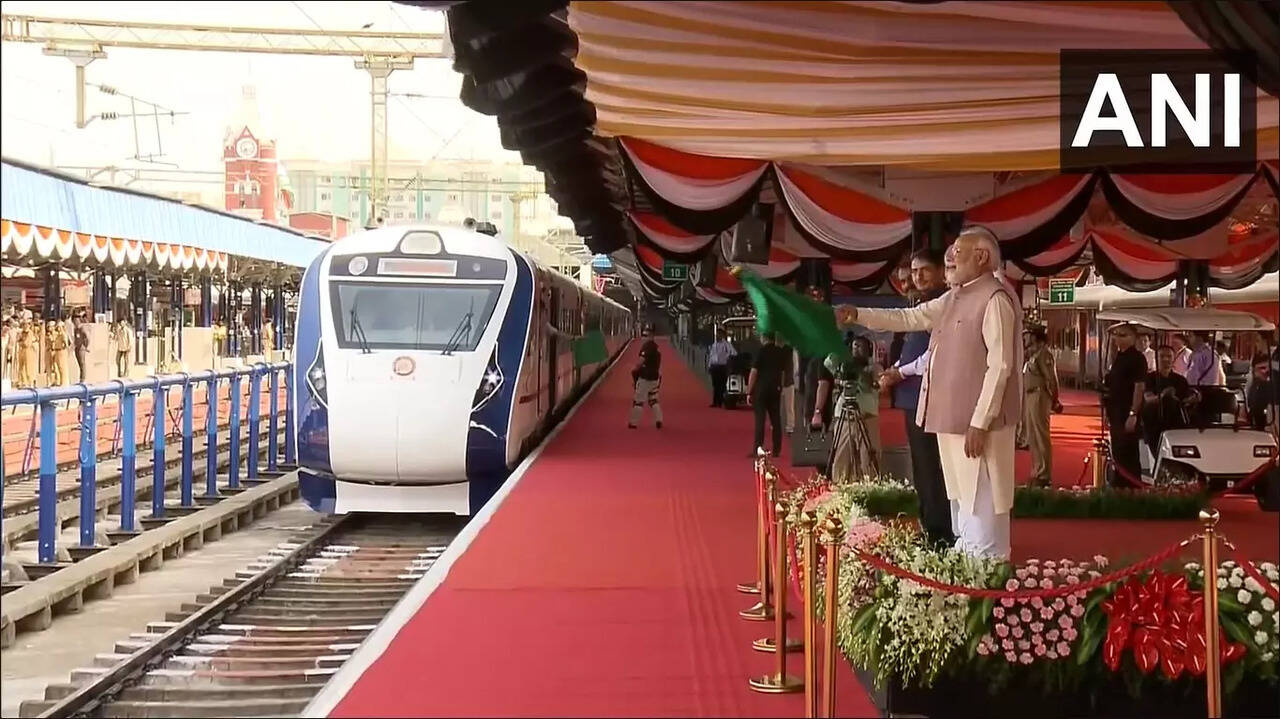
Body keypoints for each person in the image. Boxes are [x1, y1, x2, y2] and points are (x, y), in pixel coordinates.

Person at [847, 226, 1023, 560]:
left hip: (977, 425)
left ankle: (987, 566)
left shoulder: (994, 298)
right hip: (951, 420)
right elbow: (910, 317)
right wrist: (859, 314)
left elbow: (1001, 366)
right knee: (960, 497)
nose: (950, 257)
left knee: (982, 497)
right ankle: (967, 561)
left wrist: (980, 422)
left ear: (981, 256)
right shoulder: (955, 297)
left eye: (958, 250)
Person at [878, 247, 953, 547]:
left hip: (931, 399)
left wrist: (900, 372)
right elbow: (913, 351)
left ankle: (940, 534)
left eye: (925, 270)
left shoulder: (944, 304)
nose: (917, 277)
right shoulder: (921, 303)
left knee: (932, 467)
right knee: (921, 467)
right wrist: (895, 369)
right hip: (912, 398)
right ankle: (929, 526)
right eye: (914, 271)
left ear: (941, 272)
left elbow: (935, 355)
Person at [1103, 323, 1147, 485]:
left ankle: (1132, 487)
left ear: (1134, 338)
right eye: (1117, 335)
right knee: (1118, 451)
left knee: (1128, 452)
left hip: (1127, 411)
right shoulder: (1119, 356)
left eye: (1123, 335)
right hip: (1115, 410)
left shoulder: (1137, 358)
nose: (1118, 338)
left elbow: (1139, 387)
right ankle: (1119, 485)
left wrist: (1133, 413)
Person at [1021, 325, 1063, 487]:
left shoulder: (1044, 355)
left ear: (1034, 337)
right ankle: (1037, 470)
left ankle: (1044, 473)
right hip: (1030, 395)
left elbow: (1051, 379)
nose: (1024, 338)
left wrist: (1055, 400)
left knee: (1040, 435)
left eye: (1027, 335)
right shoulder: (1033, 354)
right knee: (1032, 436)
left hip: (1039, 396)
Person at [1142, 345, 1197, 453]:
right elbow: (1148, 398)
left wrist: (1193, 398)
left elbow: (1185, 400)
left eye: (1169, 356)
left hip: (1176, 425)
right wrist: (1163, 395)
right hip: (1154, 423)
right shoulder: (1149, 378)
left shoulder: (1180, 380)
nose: (1165, 359)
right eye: (1162, 356)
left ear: (1173, 359)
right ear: (1156, 358)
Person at [746, 331, 788, 457]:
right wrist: (781, 386)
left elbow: (754, 372)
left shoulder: (761, 351)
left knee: (760, 419)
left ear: (764, 338)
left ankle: (758, 448)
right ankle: (776, 449)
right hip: (775, 388)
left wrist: (749, 391)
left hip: (761, 389)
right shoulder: (780, 352)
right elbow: (783, 372)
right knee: (776, 419)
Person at [628, 331, 663, 430]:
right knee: (653, 400)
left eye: (645, 336)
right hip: (655, 378)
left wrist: (635, 369)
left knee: (638, 401)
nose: (643, 338)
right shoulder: (656, 349)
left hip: (645, 378)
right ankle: (659, 419)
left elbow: (641, 361)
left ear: (649, 337)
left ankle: (633, 423)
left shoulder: (646, 347)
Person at [706, 329, 736, 407]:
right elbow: (711, 356)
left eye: (719, 334)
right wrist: (709, 365)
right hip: (714, 366)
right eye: (717, 334)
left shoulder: (726, 344)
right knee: (715, 385)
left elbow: (733, 352)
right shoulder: (714, 344)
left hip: (722, 367)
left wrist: (726, 357)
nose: (717, 336)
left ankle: (721, 401)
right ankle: (715, 402)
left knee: (722, 384)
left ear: (722, 335)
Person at [1245, 353, 1274, 432]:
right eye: (1262, 368)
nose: (1266, 371)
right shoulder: (1252, 385)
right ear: (1254, 369)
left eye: (1269, 368)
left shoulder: (1270, 386)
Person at [46, 319, 69, 386]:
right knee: (58, 367)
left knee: (61, 367)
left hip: (60, 351)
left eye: (59, 327)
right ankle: (58, 381)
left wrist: (63, 347)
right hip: (55, 351)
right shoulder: (58, 334)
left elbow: (66, 344)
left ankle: (63, 381)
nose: (58, 329)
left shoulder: (62, 334)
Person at [73, 312, 89, 382]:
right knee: (79, 363)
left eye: (76, 321)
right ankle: (81, 377)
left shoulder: (82, 328)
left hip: (81, 348)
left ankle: (83, 379)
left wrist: (85, 346)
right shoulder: (75, 329)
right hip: (77, 348)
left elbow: (87, 337)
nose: (75, 322)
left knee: (82, 363)